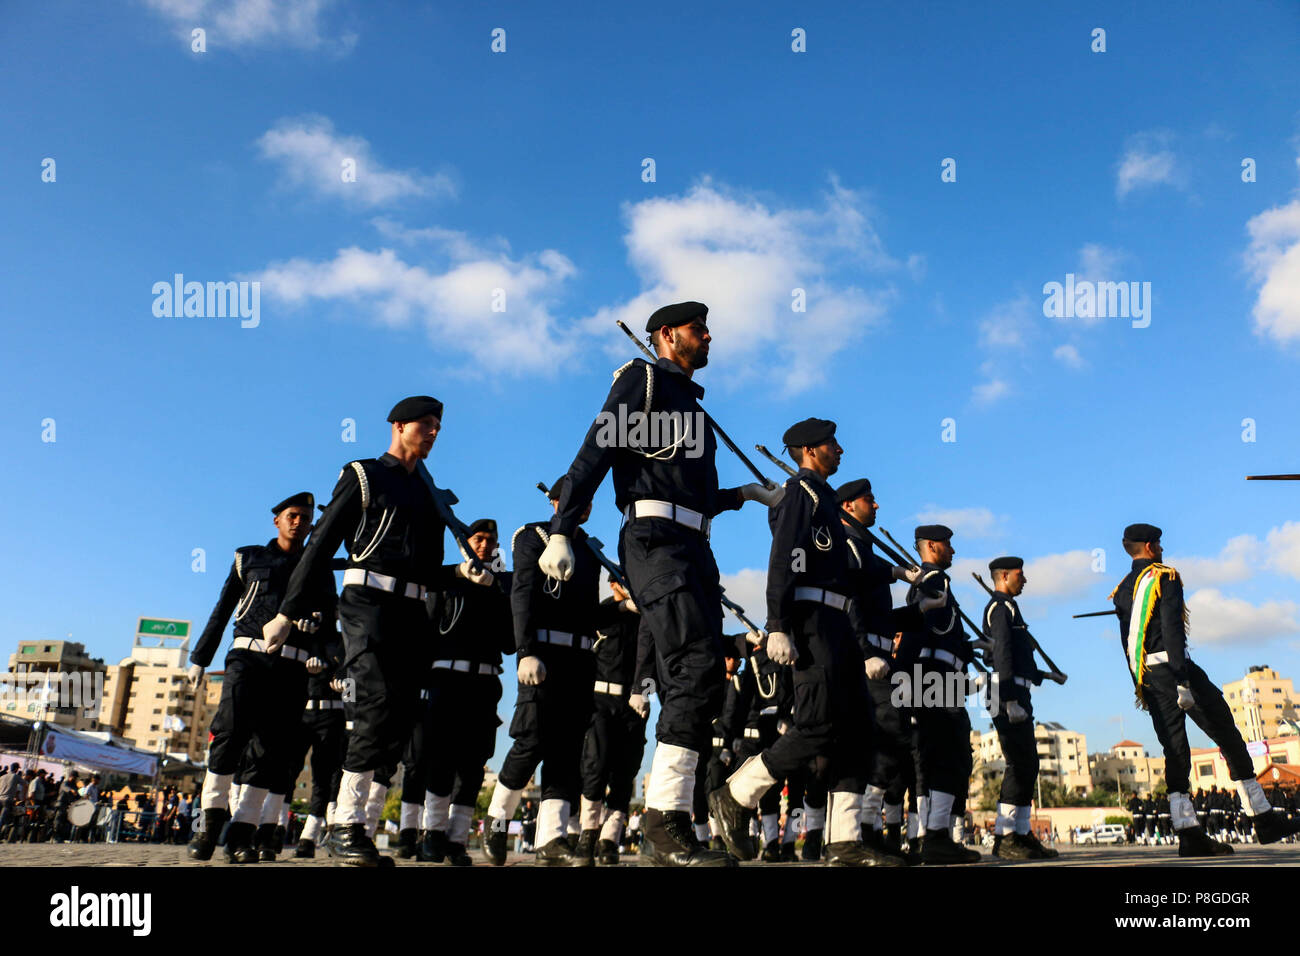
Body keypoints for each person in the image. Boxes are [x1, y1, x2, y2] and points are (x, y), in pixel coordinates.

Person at [542, 302, 783, 866]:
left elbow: (700, 499)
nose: (709, 336)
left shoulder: (693, 409)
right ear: (667, 335)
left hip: (694, 545)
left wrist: (747, 495)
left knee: (698, 681)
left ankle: (671, 819)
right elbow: (594, 450)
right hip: (653, 540)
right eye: (699, 330)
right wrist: (561, 528)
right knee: (694, 667)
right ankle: (662, 822)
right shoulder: (642, 377)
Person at [267, 396, 489, 866]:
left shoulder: (430, 494)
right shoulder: (364, 475)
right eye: (424, 425)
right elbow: (321, 543)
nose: (432, 433)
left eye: (437, 427)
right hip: (366, 605)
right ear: (398, 425)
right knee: (375, 704)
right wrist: (288, 611)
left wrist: (460, 575)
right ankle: (343, 824)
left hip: (413, 612)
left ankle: (360, 830)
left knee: (399, 719)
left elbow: (429, 570)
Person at [710, 418, 912, 867]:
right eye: (832, 445)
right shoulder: (800, 494)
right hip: (811, 622)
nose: (840, 450)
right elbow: (782, 557)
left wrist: (896, 574)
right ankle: (736, 794)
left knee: (858, 731)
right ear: (809, 451)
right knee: (817, 724)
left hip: (838, 626)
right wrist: (777, 622)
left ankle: (844, 841)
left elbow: (852, 571)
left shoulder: (823, 502)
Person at [1111, 523, 1300, 855]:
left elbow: (1129, 641)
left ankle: (1187, 832)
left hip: (1150, 676)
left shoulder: (1124, 588)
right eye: (1160, 545)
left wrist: (1144, 682)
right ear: (1152, 547)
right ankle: (1263, 817)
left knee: (1175, 750)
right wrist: (1183, 680)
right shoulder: (1163, 577)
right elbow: (1172, 629)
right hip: (1177, 670)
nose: (1163, 550)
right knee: (1226, 732)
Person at [186, 491, 336, 864]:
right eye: (292, 515)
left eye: (305, 516)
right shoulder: (248, 558)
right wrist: (200, 658)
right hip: (247, 658)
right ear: (277, 520)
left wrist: (320, 648)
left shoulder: (318, 567)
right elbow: (221, 611)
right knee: (229, 732)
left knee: (270, 750)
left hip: (291, 667)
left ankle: (241, 833)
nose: (298, 521)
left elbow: (330, 623)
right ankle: (209, 820)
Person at [482, 478, 619, 866]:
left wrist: (621, 609)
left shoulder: (590, 550)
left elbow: (591, 615)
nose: (584, 506)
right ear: (554, 501)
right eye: (575, 499)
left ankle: (552, 838)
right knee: (531, 741)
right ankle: (497, 819)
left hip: (579, 658)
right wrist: (525, 650)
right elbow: (521, 592)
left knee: (567, 749)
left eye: (589, 501)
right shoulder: (532, 536)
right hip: (542, 655)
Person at [836, 477, 924, 860]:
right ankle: (863, 831)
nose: (876, 506)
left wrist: (920, 611)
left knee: (883, 743)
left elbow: (883, 614)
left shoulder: (863, 545)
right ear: (849, 506)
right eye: (869, 500)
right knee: (888, 740)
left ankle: (867, 830)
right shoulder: (849, 544)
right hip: (867, 658)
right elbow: (849, 601)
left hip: (880, 656)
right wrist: (865, 649)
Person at [417, 518, 513, 866]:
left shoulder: (502, 585)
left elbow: (510, 643)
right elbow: (427, 630)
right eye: (478, 538)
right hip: (446, 680)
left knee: (474, 764)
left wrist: (502, 591)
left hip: (485, 682)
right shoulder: (446, 581)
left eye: (491, 540)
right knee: (440, 760)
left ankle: (456, 840)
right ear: (465, 542)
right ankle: (433, 834)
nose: (485, 545)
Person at [898, 524, 982, 865]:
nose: (953, 551)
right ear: (932, 546)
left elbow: (945, 635)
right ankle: (935, 836)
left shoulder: (937, 582)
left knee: (952, 754)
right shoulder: (932, 582)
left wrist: (971, 647)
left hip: (941, 675)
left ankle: (938, 834)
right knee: (947, 753)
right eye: (947, 544)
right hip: (933, 677)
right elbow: (919, 631)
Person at [983, 556, 1066, 860]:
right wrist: (1008, 699)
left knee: (1029, 763)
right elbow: (1002, 654)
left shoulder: (1010, 608)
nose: (1025, 579)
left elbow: (1019, 659)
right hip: (1005, 691)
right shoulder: (1000, 608)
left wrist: (1045, 676)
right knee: (1018, 763)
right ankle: (1005, 837)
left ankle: (1019, 832)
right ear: (1004, 576)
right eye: (1020, 574)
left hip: (1017, 689)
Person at [577, 576, 648, 865]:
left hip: (634, 703)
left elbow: (655, 661)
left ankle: (610, 838)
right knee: (596, 765)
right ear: (612, 585)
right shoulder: (602, 614)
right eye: (622, 581)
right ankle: (588, 833)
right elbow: (586, 627)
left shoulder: (646, 619)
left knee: (625, 771)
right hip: (600, 700)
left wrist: (645, 692)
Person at [290, 634, 347, 859]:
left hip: (334, 714)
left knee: (324, 777)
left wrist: (344, 685)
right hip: (302, 712)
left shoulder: (343, 640)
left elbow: (353, 673)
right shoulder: (301, 638)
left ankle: (309, 836)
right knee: (289, 769)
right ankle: (271, 830)